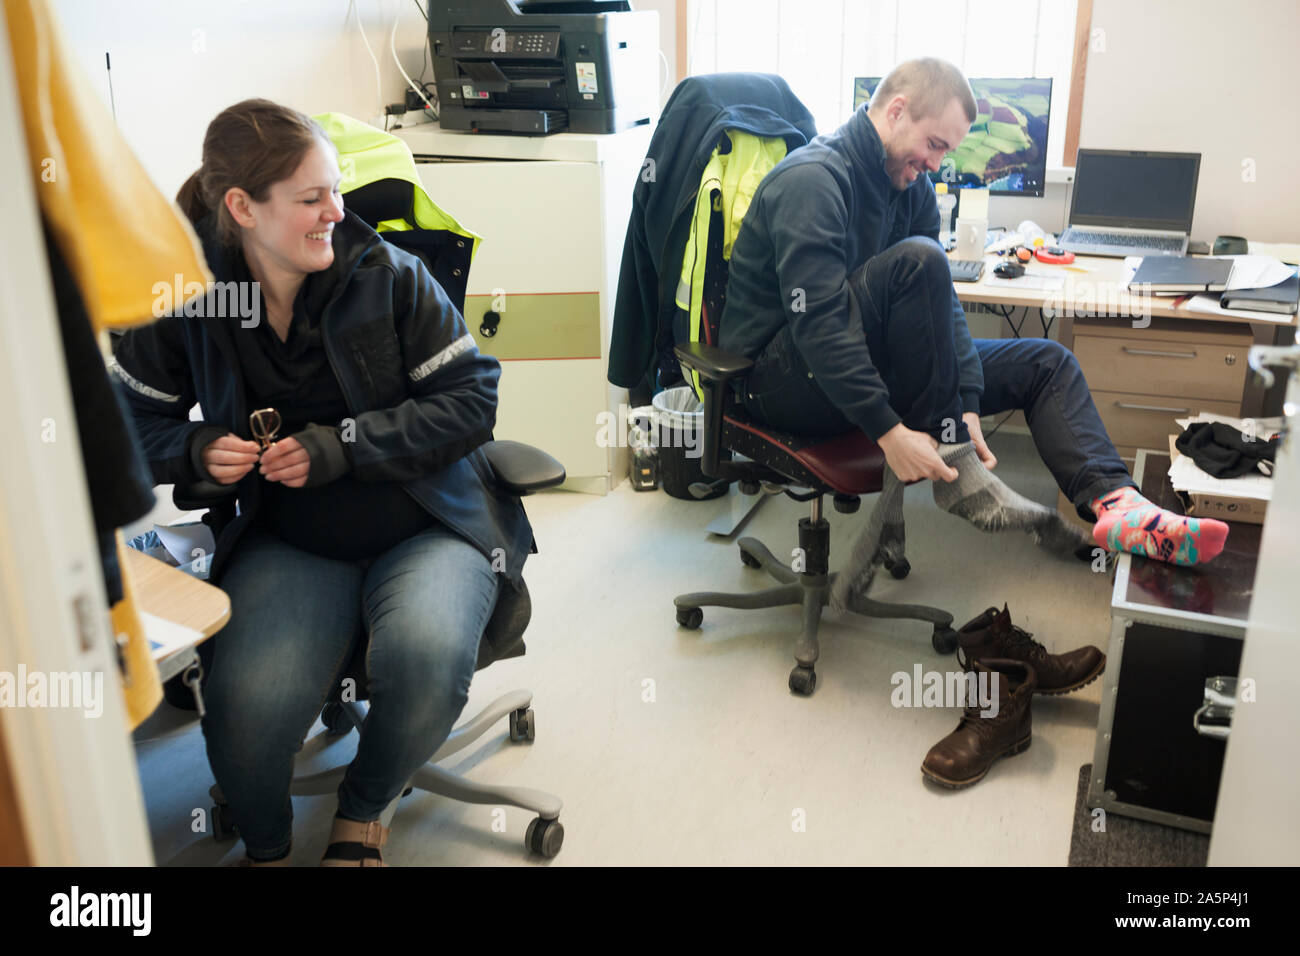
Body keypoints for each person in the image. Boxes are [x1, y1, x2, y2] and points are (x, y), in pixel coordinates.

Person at [113, 99, 533, 866]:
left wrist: (345, 444)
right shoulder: (189, 297)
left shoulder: (389, 278)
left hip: (426, 522)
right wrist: (198, 448)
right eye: (312, 198)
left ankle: (364, 814)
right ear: (241, 208)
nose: (337, 212)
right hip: (293, 540)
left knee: (427, 656)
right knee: (245, 707)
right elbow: (130, 429)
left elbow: (473, 401)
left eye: (335, 190)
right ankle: (267, 846)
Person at [719, 58, 1229, 578]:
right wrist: (889, 432)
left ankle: (1119, 507)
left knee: (1047, 362)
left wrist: (964, 401)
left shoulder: (909, 186)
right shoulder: (814, 182)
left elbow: (940, 306)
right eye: (936, 145)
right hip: (780, 382)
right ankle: (959, 469)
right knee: (921, 258)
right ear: (896, 111)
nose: (938, 163)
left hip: (857, 362)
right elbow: (820, 325)